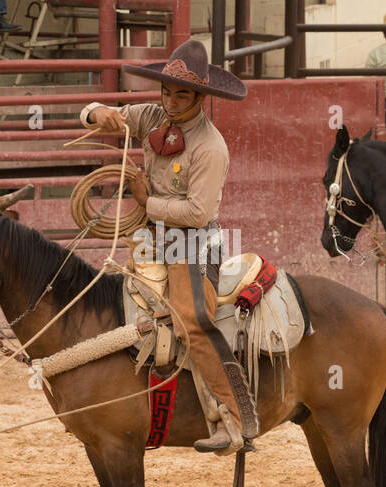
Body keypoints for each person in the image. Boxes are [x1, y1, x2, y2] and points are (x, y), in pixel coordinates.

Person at [79, 40, 256, 456]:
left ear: (200, 98)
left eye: (182, 94)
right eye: (166, 91)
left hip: (193, 243)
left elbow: (198, 212)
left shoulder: (210, 147)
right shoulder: (152, 116)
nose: (171, 102)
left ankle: (233, 419)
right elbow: (99, 117)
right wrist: (96, 112)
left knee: (191, 321)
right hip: (152, 237)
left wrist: (144, 201)